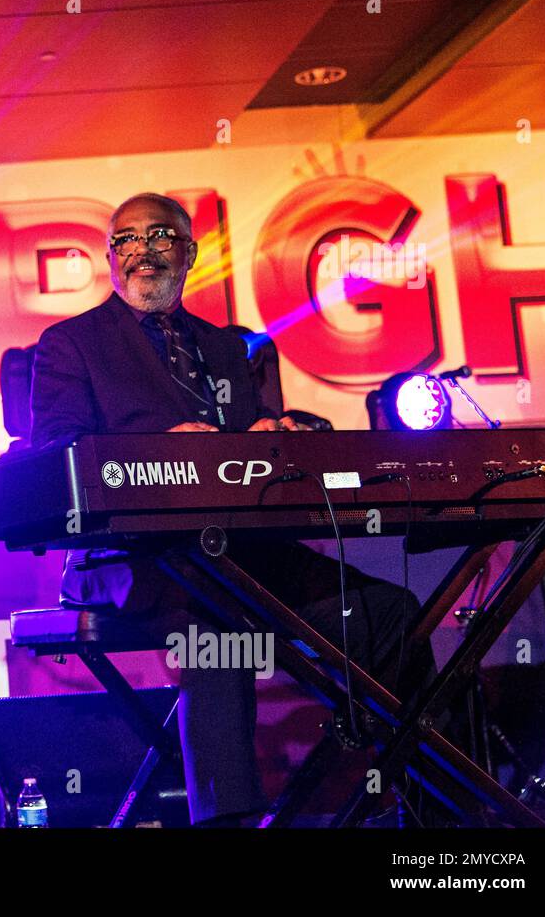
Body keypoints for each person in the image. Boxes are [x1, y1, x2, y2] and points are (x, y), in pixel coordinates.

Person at [29, 192, 435, 826]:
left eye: (159, 236)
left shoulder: (226, 348)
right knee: (220, 625)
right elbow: (56, 455)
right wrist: (158, 449)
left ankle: (429, 808)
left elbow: (250, 458)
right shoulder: (71, 343)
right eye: (126, 239)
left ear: (188, 253)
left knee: (391, 613)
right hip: (130, 558)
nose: (142, 250)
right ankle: (227, 822)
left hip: (237, 550)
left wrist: (272, 438)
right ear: (110, 257)